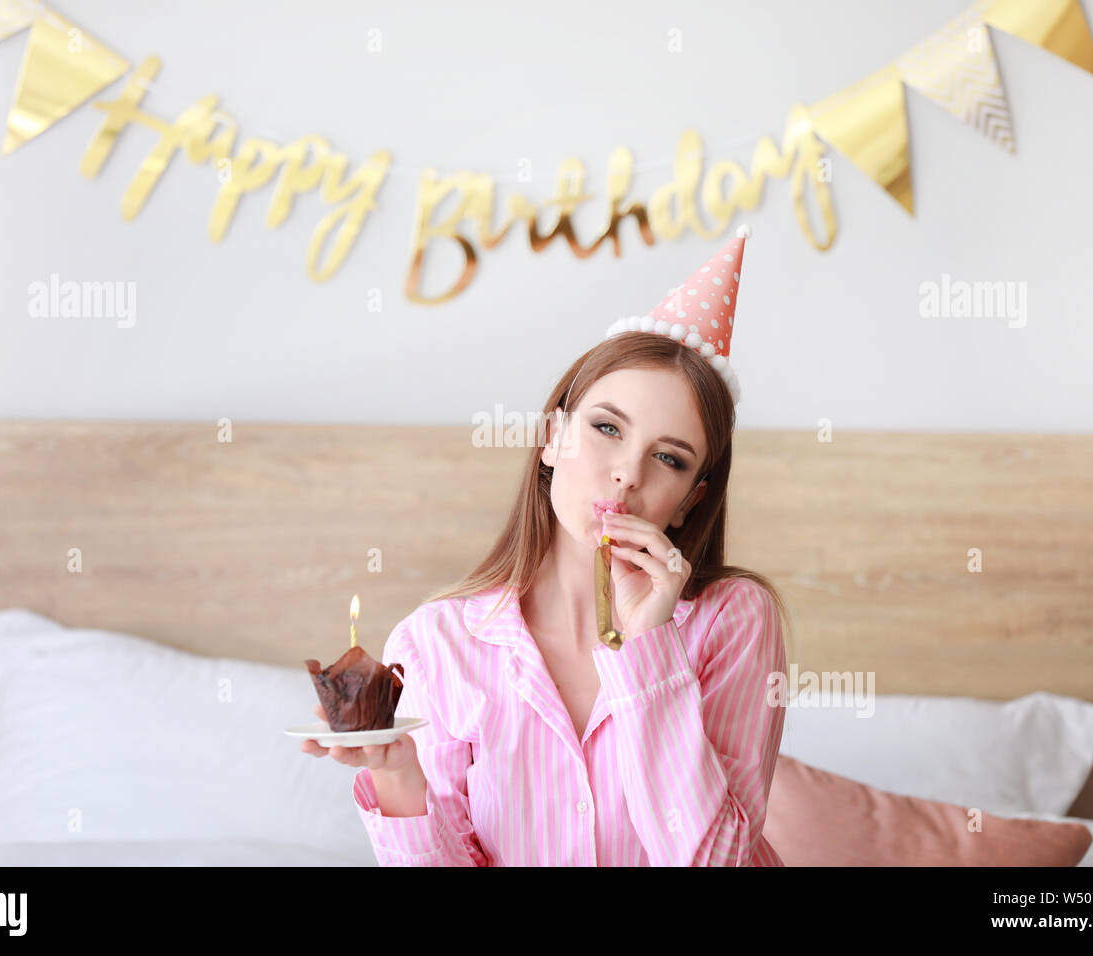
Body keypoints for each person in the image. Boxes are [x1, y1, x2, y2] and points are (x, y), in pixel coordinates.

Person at [303, 225, 794, 865]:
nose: (628, 473)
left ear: (690, 500)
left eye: (669, 459)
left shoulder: (733, 620)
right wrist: (397, 775)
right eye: (606, 428)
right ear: (553, 438)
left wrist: (645, 643)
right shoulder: (435, 647)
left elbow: (715, 860)